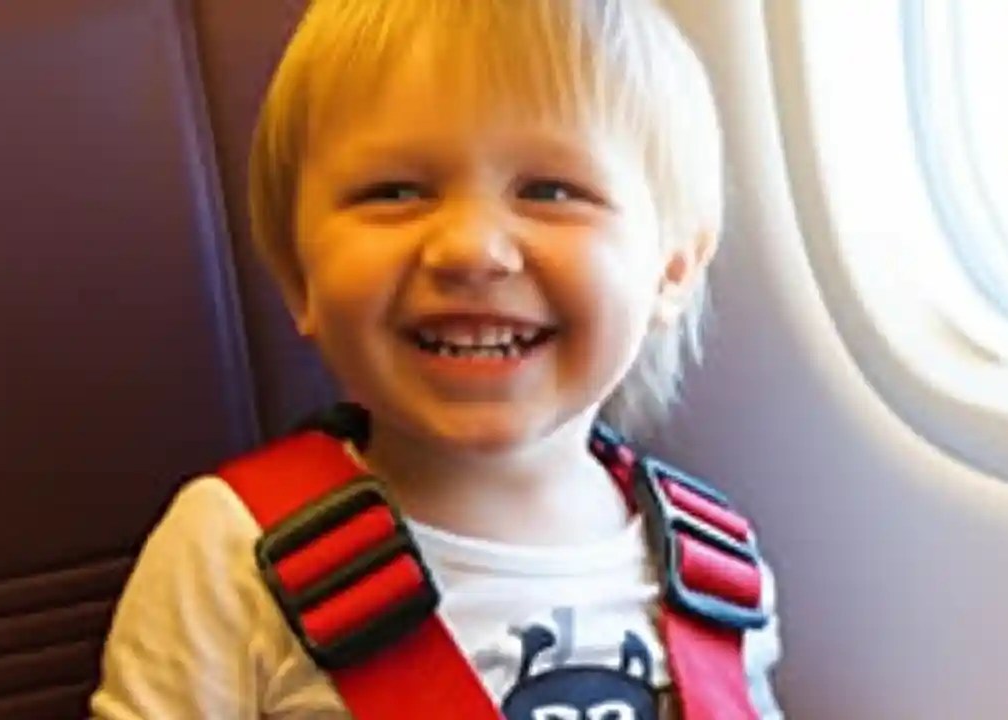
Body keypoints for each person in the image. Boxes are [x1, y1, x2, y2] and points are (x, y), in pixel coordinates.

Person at [90, 0, 783, 717]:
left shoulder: (716, 575)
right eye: (394, 192)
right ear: (300, 278)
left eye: (550, 191)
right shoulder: (231, 548)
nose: (470, 249)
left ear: (670, 270)